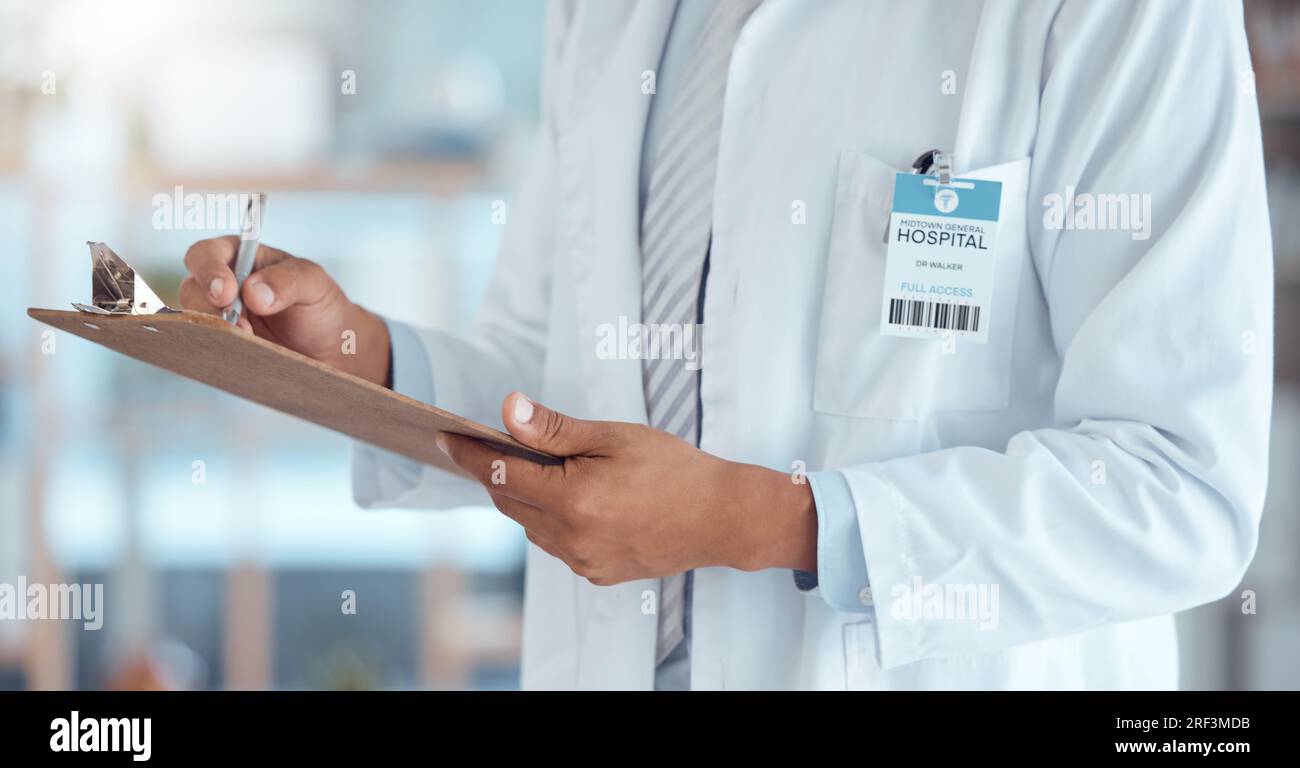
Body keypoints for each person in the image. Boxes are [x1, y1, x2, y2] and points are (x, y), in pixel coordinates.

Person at [178, 0, 1273, 690]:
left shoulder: (1128, 13)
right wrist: (366, 362)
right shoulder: (606, 20)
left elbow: (1178, 484)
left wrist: (756, 520)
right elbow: (553, 371)